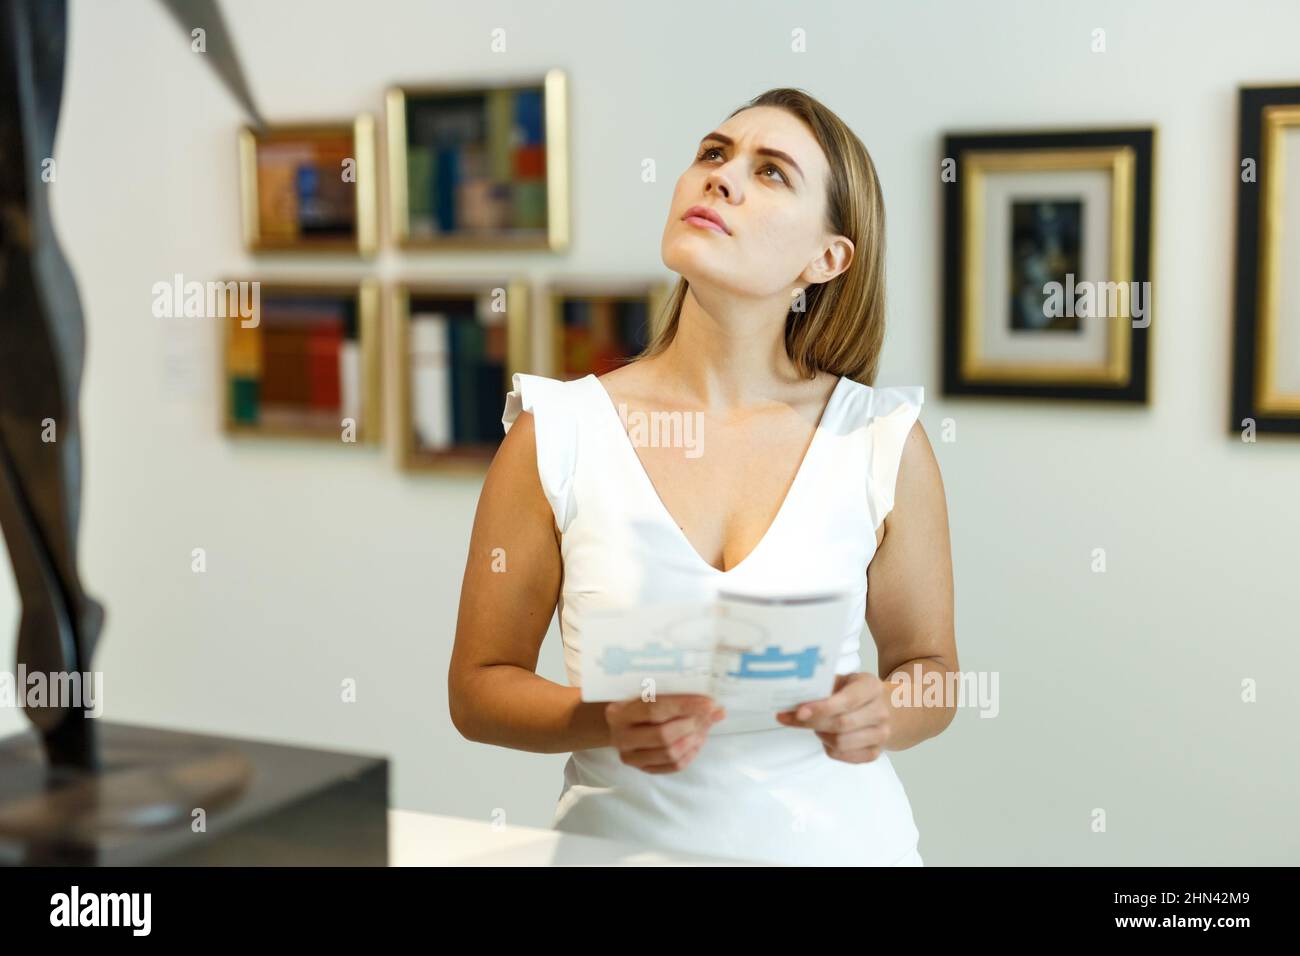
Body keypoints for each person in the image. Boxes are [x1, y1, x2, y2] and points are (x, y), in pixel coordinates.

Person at [449, 87, 958, 866]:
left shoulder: (879, 439)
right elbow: (480, 686)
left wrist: (884, 712)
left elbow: (934, 673)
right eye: (713, 155)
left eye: (772, 172)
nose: (720, 178)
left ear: (826, 259)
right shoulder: (557, 432)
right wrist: (602, 719)